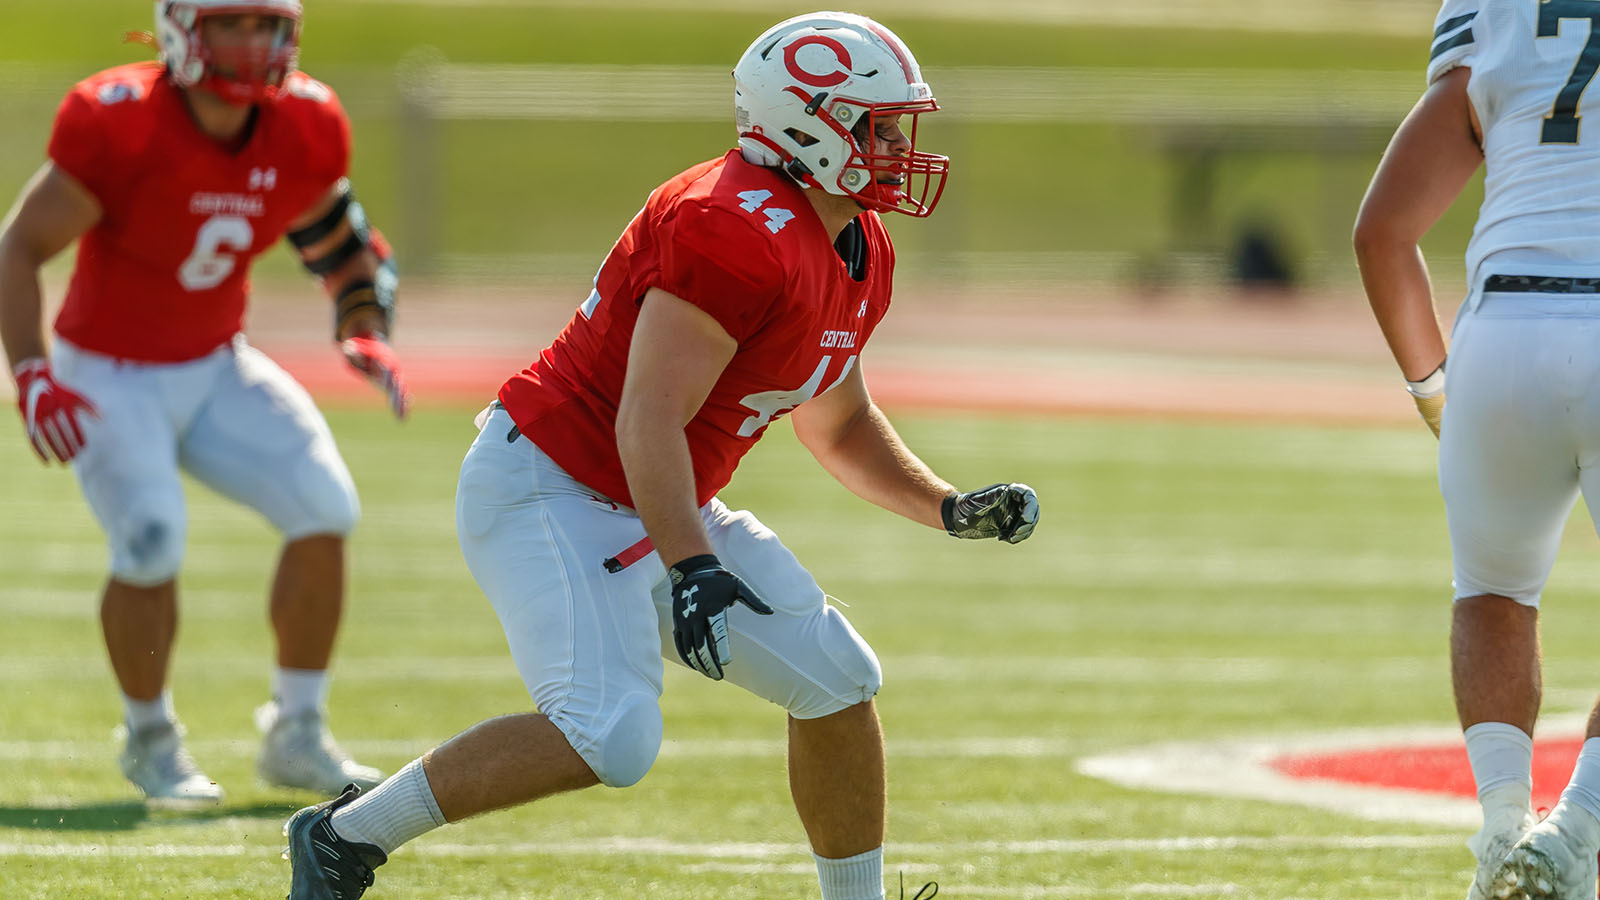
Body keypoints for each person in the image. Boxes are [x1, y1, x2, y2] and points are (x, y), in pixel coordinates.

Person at [282, 11, 1038, 900]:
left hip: (654, 493)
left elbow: (836, 422)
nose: (900, 147)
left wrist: (946, 506)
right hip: (553, 482)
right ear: (807, 125)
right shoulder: (732, 228)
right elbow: (647, 418)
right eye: (878, 126)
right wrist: (692, 566)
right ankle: (344, 836)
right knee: (612, 735)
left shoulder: (856, 243)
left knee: (838, 680)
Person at [0, 0, 408, 807]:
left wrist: (361, 318)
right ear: (185, 30)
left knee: (326, 506)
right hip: (108, 370)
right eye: (233, 25)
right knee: (151, 541)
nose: (254, 44)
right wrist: (33, 372)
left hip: (215, 362)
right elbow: (19, 246)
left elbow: (330, 225)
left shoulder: (305, 120)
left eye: (267, 26)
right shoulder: (118, 121)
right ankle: (149, 736)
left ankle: (297, 732)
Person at [1355, 1, 1600, 897]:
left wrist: (1434, 392)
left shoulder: (1496, 11)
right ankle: (1577, 832)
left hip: (1503, 333)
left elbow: (1382, 234)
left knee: (1494, 590)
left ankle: (1503, 831)